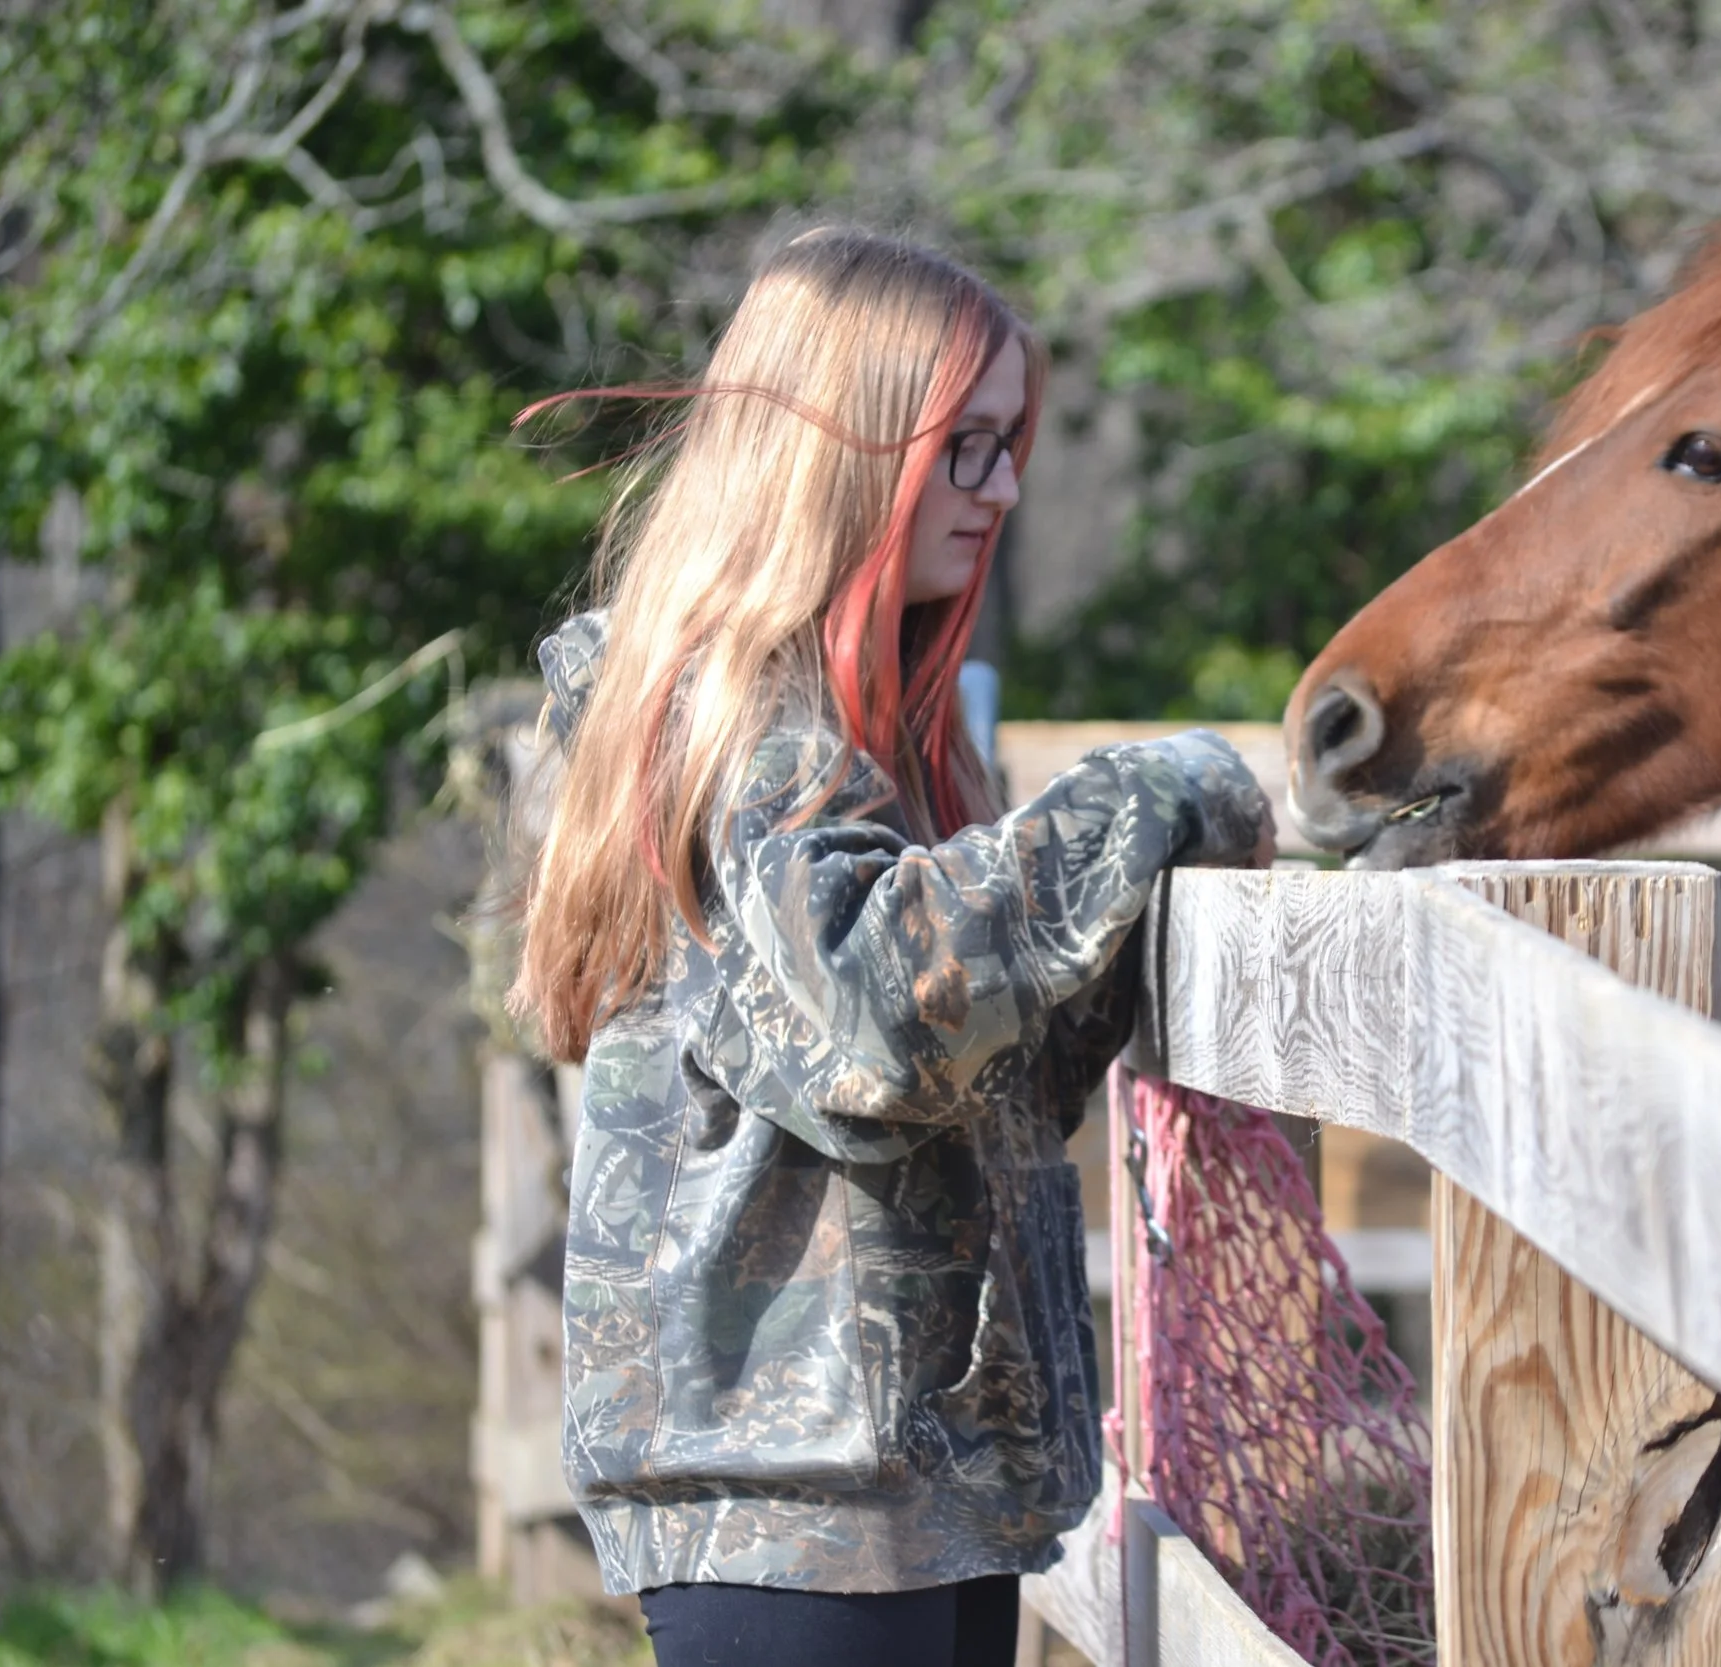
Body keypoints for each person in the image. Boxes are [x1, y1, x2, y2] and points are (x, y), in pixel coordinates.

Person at [507, 228, 1274, 1667]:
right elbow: (878, 1014)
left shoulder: (850, 737)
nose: (1005, 488)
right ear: (846, 450)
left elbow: (980, 1087)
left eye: (1009, 445)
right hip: (796, 1513)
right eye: (965, 448)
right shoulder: (744, 727)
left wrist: (1126, 913)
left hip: (897, 1486)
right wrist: (1156, 792)